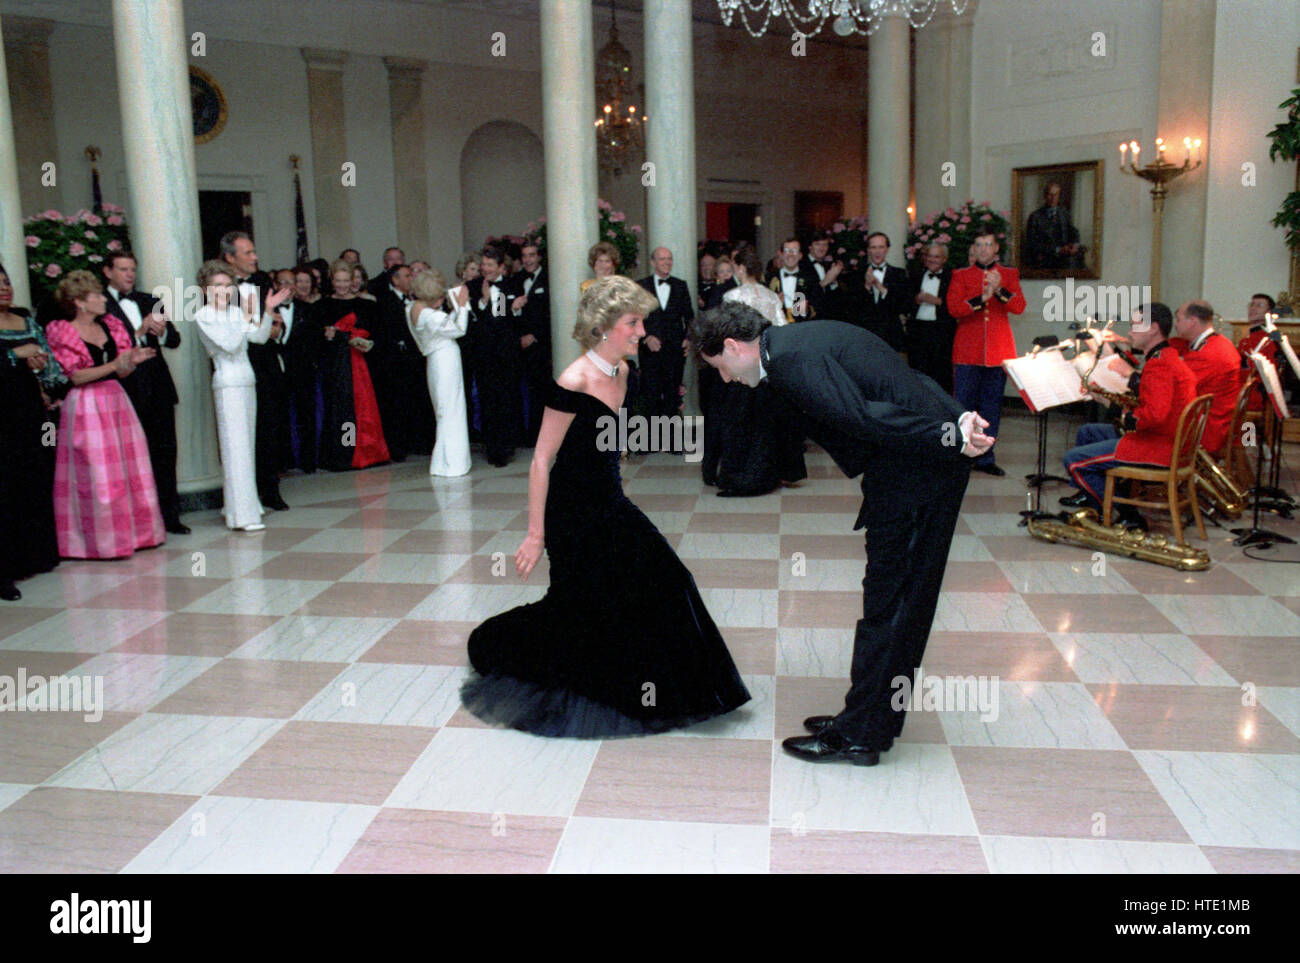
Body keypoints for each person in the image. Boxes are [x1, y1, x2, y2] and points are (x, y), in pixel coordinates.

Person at [692, 307, 991, 765]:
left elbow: (863, 415)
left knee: (894, 606)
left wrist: (949, 433)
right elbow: (905, 381)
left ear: (734, 347)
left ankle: (861, 735)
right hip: (914, 462)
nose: (727, 380)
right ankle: (866, 717)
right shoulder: (795, 342)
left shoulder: (791, 360)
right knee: (893, 602)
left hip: (917, 471)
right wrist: (956, 420)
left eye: (721, 369)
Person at [462, 276, 751, 737]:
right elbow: (541, 459)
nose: (641, 331)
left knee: (668, 579)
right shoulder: (573, 380)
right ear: (603, 327)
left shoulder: (624, 373)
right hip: (571, 515)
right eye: (632, 322)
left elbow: (607, 448)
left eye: (641, 322)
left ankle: (680, 688)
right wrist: (535, 536)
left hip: (610, 504)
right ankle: (506, 646)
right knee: (583, 604)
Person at [44, 271, 164, 559]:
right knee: (96, 473)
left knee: (128, 468)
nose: (102, 299)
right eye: (96, 295)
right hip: (85, 404)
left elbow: (121, 369)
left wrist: (130, 362)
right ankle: (101, 542)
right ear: (79, 302)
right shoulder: (62, 330)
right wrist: (115, 365)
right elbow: (76, 376)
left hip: (115, 399)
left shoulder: (110, 326)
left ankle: (137, 535)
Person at [1060, 303, 1197, 530]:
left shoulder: (1160, 364)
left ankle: (1126, 513)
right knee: (1088, 432)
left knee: (1073, 460)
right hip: (1168, 440)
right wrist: (1103, 398)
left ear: (1153, 328)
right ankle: (1095, 502)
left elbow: (1153, 416)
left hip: (1158, 446)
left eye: (1135, 325)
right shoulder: (1167, 355)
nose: (1130, 331)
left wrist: (1121, 415)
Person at [194, 261, 292, 531]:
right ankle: (243, 515)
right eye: (217, 286)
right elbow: (229, 344)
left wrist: (268, 311)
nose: (224, 291)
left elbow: (259, 339)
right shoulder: (204, 315)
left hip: (247, 381)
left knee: (246, 447)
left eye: (228, 286)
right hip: (227, 384)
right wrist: (248, 316)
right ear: (205, 289)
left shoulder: (237, 312)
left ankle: (242, 506)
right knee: (235, 448)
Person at [707, 243, 807, 496]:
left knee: (739, 424)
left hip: (741, 369)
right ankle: (767, 475)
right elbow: (781, 330)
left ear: (740, 268)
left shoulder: (732, 297)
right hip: (766, 370)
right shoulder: (771, 297)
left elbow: (725, 335)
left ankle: (741, 476)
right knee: (765, 425)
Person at [100, 252, 188, 534]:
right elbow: (103, 350)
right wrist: (138, 333)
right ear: (107, 272)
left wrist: (161, 333)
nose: (129, 274)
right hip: (124, 390)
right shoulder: (99, 306)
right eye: (123, 269)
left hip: (159, 388)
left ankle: (170, 517)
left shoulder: (151, 300)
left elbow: (174, 339)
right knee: (129, 457)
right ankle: (137, 521)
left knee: (165, 453)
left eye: (132, 269)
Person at [0, 267, 66, 598]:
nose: (5, 288)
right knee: (5, 487)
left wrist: (42, 369)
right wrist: (13, 355)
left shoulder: (26, 320)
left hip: (33, 413)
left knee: (36, 476)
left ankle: (36, 555)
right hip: (3, 417)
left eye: (7, 281)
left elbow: (49, 361)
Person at [946, 230, 1025, 476]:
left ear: (996, 250)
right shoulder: (961, 275)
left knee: (990, 408)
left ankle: (985, 457)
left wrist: (999, 290)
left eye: (988, 244)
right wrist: (983, 297)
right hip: (968, 351)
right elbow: (954, 308)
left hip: (998, 351)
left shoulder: (1009, 274)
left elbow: (1019, 307)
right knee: (963, 407)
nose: (982, 248)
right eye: (978, 244)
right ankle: (960, 455)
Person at [220, 231, 289, 511]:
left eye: (254, 251)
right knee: (241, 430)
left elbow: (276, 321)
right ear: (229, 258)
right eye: (247, 253)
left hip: (265, 362)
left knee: (269, 424)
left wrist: (275, 327)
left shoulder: (262, 281)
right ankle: (243, 494)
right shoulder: (219, 288)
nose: (255, 257)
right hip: (236, 363)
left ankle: (270, 489)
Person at [316, 259, 391, 471]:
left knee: (364, 410)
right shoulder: (322, 306)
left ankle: (367, 450)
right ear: (331, 281)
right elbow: (314, 342)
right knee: (343, 412)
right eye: (337, 280)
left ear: (353, 281)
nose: (341, 285)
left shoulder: (367, 306)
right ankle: (345, 453)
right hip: (336, 369)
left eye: (346, 280)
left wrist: (369, 343)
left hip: (364, 367)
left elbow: (381, 336)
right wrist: (328, 337)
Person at [408, 269, 472, 477]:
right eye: (440, 296)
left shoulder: (412, 308)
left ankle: (442, 463)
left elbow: (446, 326)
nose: (443, 298)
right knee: (451, 411)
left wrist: (456, 310)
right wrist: (461, 306)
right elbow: (459, 329)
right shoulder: (431, 316)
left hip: (435, 361)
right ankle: (453, 464)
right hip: (445, 361)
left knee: (444, 410)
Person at [468, 245, 525, 467]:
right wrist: (483, 300)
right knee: (487, 400)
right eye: (483, 264)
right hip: (483, 355)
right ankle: (493, 448)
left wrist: (508, 307)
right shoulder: (472, 287)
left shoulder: (512, 285)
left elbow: (501, 320)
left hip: (506, 354)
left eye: (490, 265)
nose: (485, 269)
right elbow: (473, 318)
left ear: (501, 266)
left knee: (507, 399)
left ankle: (506, 446)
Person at [1169, 299, 1241, 459]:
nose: (1175, 324)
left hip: (1209, 429)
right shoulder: (1218, 342)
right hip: (1218, 420)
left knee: (1143, 421)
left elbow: (1174, 386)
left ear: (1193, 321)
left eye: (1179, 319)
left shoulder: (1209, 353)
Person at [636, 246, 693, 419]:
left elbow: (690, 317)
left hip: (675, 352)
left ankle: (670, 444)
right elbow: (633, 318)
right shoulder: (641, 286)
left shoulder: (680, 286)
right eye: (662, 259)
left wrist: (689, 338)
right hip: (649, 352)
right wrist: (646, 338)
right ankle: (653, 443)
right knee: (650, 398)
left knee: (672, 398)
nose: (667, 262)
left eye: (669, 258)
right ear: (653, 262)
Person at [508, 241, 551, 445]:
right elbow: (499, 317)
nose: (528, 259)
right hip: (515, 346)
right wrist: (514, 309)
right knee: (516, 391)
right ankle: (521, 436)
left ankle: (541, 435)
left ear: (539, 257)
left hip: (541, 345)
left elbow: (555, 312)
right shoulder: (512, 280)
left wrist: (534, 335)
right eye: (524, 256)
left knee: (541, 390)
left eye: (532, 255)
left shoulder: (551, 278)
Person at [907, 243, 957, 394]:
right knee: (918, 373)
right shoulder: (915, 275)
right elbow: (903, 302)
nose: (932, 260)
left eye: (936, 256)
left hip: (941, 331)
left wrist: (937, 301)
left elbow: (957, 306)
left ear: (944, 259)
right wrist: (916, 299)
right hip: (918, 331)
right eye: (929, 256)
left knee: (942, 373)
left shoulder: (952, 278)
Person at [857, 232, 910, 349]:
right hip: (864, 334)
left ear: (887, 249)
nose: (877, 251)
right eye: (873, 247)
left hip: (891, 334)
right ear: (868, 250)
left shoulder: (899, 274)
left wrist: (880, 287)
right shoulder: (857, 274)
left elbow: (902, 305)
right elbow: (854, 306)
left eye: (881, 247)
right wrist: (867, 286)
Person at [1025, 181, 1084, 270]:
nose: (1053, 198)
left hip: (1065, 256)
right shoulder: (1035, 217)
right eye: (1050, 195)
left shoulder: (1064, 214)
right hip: (1046, 258)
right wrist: (1057, 250)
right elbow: (1033, 243)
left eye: (1056, 195)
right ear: (1045, 196)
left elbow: (1074, 232)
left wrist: (1075, 245)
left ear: (1059, 196)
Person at [768, 237, 821, 322]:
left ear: (800, 255)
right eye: (787, 251)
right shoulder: (770, 278)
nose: (791, 254)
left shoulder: (810, 278)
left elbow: (819, 305)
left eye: (795, 251)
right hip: (778, 329)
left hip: (802, 329)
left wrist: (806, 309)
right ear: (781, 254)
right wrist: (774, 306)